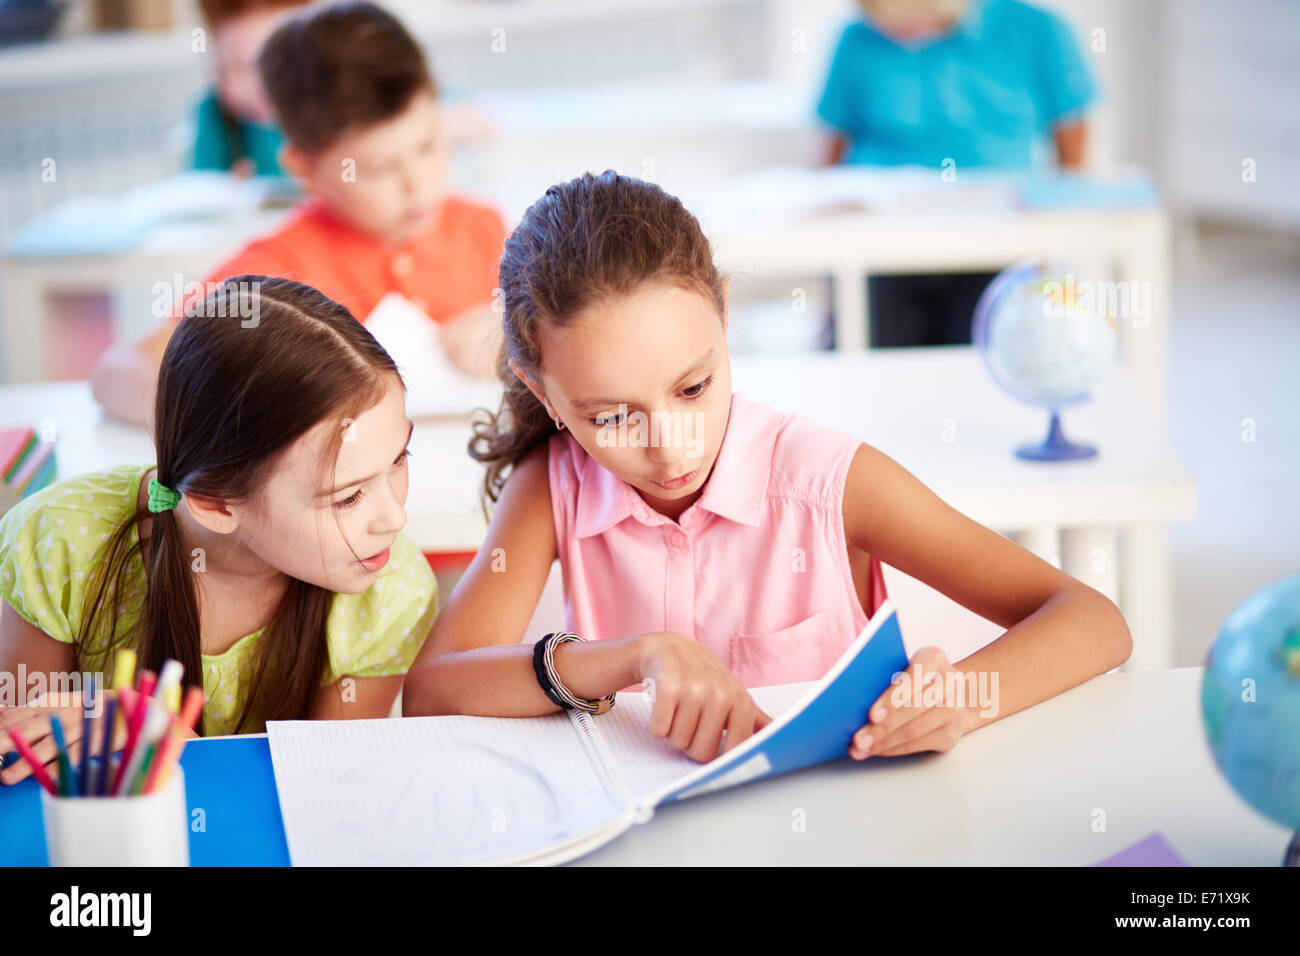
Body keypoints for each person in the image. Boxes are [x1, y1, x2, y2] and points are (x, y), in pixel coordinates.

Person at [401, 171, 1131, 765]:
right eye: (610, 416)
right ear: (541, 392)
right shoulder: (552, 483)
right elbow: (434, 691)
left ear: (723, 319)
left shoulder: (828, 480)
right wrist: (635, 657)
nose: (670, 445)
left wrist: (964, 698)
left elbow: (1093, 620)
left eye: (693, 387)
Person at [1, 277, 437, 785]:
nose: (395, 518)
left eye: (400, 458)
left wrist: (172, 743)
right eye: (347, 497)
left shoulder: (391, 589)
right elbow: (16, 770)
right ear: (213, 502)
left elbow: (325, 796)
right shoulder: (58, 542)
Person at [93, 2, 507, 427]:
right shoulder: (277, 270)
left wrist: (509, 337)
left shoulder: (483, 228)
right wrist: (263, 414)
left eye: (429, 145)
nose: (416, 184)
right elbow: (118, 374)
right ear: (306, 169)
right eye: (378, 168)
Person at [816, 0, 1097, 346]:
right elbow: (830, 155)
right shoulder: (856, 38)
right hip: (884, 245)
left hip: (997, 242)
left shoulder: (1040, 30)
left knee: (1000, 338)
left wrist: (1053, 233)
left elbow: (1072, 147)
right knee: (867, 342)